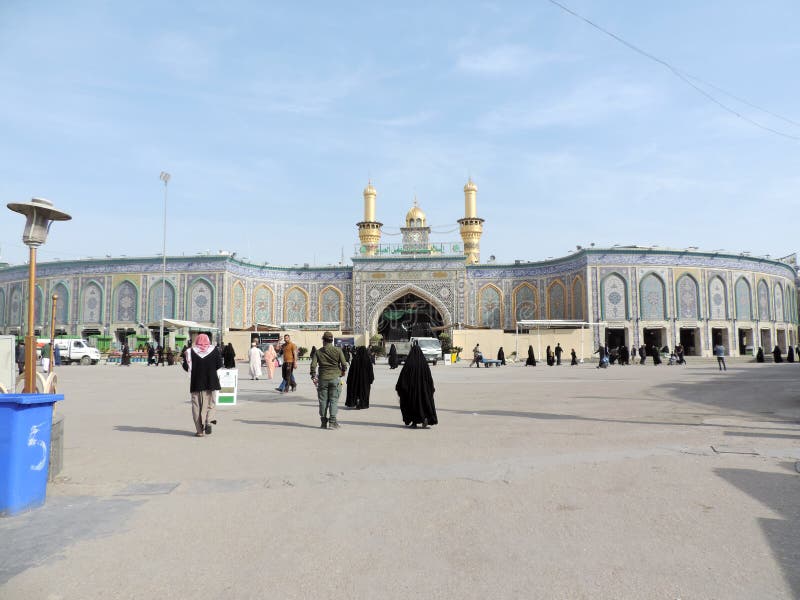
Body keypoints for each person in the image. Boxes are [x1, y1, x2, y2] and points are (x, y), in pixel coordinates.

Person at [182, 333, 222, 437]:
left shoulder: (190, 352)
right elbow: (219, 364)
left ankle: (199, 431)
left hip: (196, 382)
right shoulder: (214, 350)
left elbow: (186, 367)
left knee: (196, 406)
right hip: (211, 381)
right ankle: (208, 420)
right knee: (211, 403)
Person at [310, 331, 349, 429]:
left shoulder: (318, 352)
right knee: (334, 400)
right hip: (335, 378)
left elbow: (313, 365)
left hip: (322, 379)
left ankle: (323, 422)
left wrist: (313, 376)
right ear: (332, 340)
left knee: (323, 401)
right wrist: (343, 372)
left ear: (323, 340)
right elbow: (344, 364)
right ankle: (332, 422)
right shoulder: (338, 350)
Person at [396, 343, 437, 429]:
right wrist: (430, 388)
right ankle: (424, 418)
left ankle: (414, 422)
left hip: (412, 391)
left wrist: (400, 387)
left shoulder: (409, 363)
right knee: (423, 404)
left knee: (412, 404)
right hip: (423, 391)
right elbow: (429, 378)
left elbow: (403, 377)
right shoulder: (424, 364)